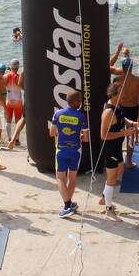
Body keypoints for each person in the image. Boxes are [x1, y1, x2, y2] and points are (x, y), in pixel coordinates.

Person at [50, 88, 88, 218]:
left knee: (60, 177)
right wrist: (80, 135)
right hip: (75, 150)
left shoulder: (57, 114)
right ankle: (69, 204)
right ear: (78, 102)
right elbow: (86, 138)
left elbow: (52, 133)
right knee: (72, 178)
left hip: (61, 149)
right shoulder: (81, 117)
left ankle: (67, 205)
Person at [98, 83, 133, 218]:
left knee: (120, 170)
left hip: (117, 147)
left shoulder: (118, 105)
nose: (123, 95)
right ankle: (109, 209)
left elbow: (121, 118)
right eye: (121, 93)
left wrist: (131, 123)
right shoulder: (108, 112)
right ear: (113, 95)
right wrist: (124, 134)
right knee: (112, 179)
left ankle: (103, 197)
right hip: (109, 148)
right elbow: (103, 135)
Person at [3, 59, 25, 147]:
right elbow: (22, 87)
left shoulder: (6, 76)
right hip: (17, 102)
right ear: (18, 67)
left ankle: (9, 139)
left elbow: (3, 85)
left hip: (8, 101)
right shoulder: (19, 77)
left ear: (11, 67)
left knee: (8, 121)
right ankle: (16, 140)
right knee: (18, 121)